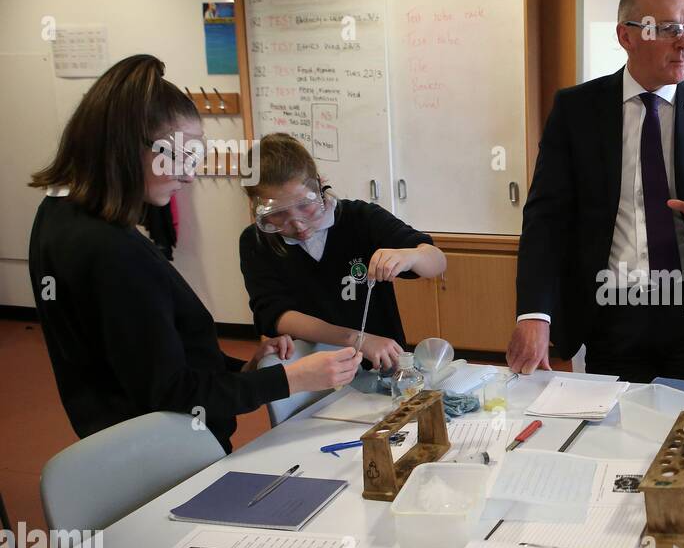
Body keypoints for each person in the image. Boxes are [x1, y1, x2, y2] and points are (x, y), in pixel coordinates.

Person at [28, 55, 358, 453]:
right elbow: (172, 392)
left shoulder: (60, 213)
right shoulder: (111, 251)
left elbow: (147, 360)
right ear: (126, 145)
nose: (188, 175)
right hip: (162, 453)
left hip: (135, 444)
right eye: (179, 158)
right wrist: (293, 379)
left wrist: (241, 368)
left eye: (194, 159)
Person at [508, 0, 684, 384]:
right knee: (613, 439)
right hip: (611, 315)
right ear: (626, 36)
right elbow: (545, 220)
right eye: (667, 28)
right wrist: (535, 312)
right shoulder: (576, 111)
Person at [238, 132, 446, 372]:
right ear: (257, 206)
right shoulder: (256, 241)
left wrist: (411, 256)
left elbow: (436, 260)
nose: (298, 224)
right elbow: (275, 314)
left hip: (379, 365)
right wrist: (357, 339)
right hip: (312, 373)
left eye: (305, 206)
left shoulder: (360, 219)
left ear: (319, 184)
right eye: (279, 214)